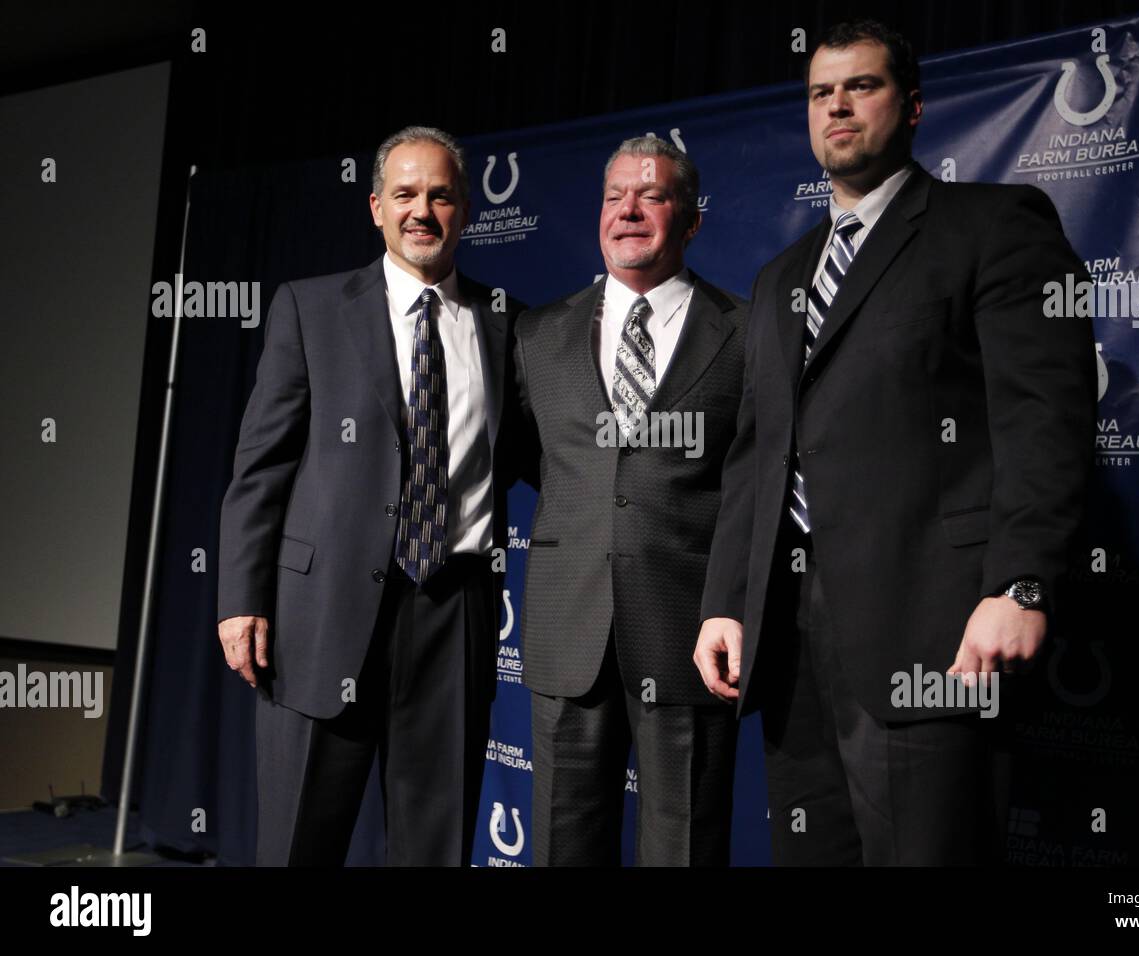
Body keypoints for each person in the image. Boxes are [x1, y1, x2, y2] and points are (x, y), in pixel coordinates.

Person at [695, 20, 1096, 865]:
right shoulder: (780, 278)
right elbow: (757, 455)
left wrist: (1022, 581)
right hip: (788, 646)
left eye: (861, 86)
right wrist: (727, 601)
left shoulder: (993, 225)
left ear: (912, 107)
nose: (836, 105)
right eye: (819, 93)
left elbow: (1044, 418)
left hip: (933, 625)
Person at [216, 125, 526, 865]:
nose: (423, 210)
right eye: (406, 194)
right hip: (319, 617)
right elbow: (261, 466)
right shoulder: (310, 308)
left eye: (441, 195)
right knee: (300, 844)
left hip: (453, 615)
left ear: (467, 211)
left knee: (435, 849)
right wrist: (239, 597)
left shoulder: (508, 322)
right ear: (376, 207)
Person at [514, 136, 747, 865]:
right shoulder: (536, 333)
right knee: (563, 844)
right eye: (615, 196)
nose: (629, 210)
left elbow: (758, 478)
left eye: (651, 195)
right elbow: (528, 458)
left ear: (691, 218)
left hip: (689, 630)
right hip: (567, 625)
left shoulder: (747, 331)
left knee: (683, 847)